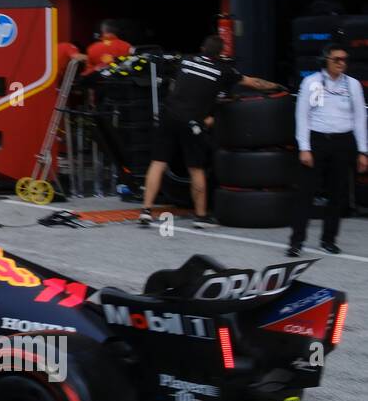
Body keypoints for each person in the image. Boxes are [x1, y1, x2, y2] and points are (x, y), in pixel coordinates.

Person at [140, 35, 281, 228]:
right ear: (221, 53)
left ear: (202, 48)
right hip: (191, 121)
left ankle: (146, 211)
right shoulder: (224, 70)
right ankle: (200, 216)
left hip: (169, 114)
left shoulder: (187, 60)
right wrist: (277, 87)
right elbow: (253, 83)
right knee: (195, 168)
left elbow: (177, 84)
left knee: (157, 163)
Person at [289, 43, 367, 256]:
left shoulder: (352, 85)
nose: (342, 63)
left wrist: (363, 151)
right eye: (337, 59)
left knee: (337, 194)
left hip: (343, 143)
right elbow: (302, 116)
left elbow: (360, 117)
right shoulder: (312, 83)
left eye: (345, 59)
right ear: (326, 61)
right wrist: (304, 147)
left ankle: (329, 240)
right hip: (317, 141)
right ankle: (296, 242)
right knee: (305, 193)